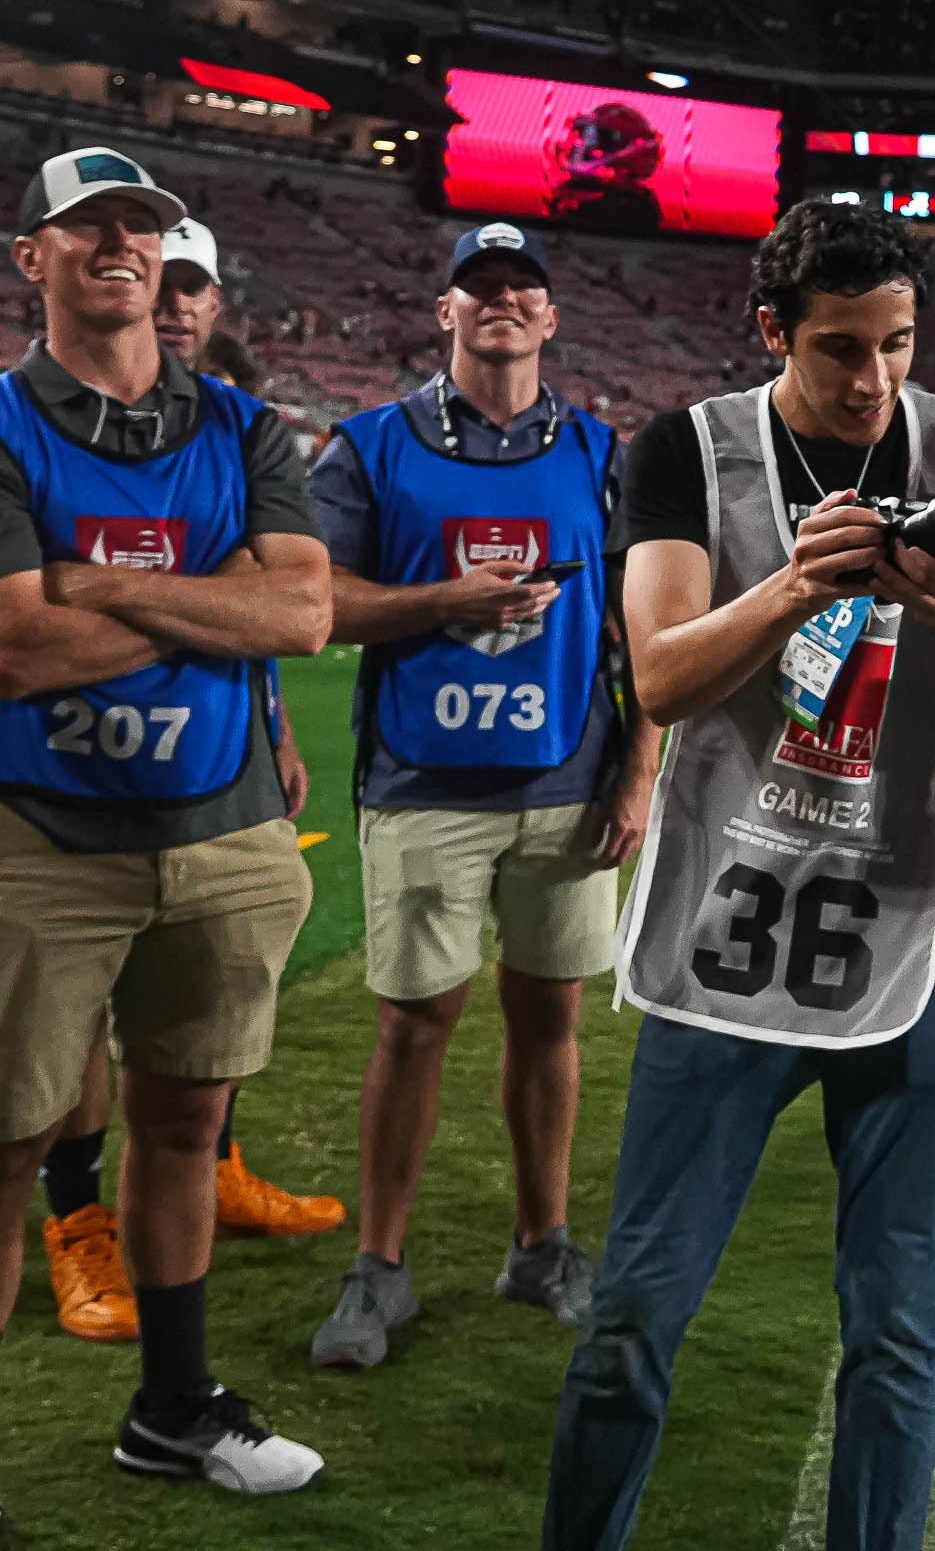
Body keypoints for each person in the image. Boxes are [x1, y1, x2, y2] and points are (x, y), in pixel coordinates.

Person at [542, 199, 935, 1551]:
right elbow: (659, 676)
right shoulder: (687, 449)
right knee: (636, 1310)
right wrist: (792, 587)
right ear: (773, 330)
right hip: (729, 912)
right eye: (840, 348)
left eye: (895, 343)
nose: (875, 379)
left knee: (895, 1328)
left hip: (921, 921)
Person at [0, 146, 332, 1494]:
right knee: (9, 1138)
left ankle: (175, 1410)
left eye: (137, 226)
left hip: (222, 828)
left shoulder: (246, 427)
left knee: (186, 1122)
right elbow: (12, 654)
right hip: (39, 830)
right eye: (86, 229)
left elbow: (304, 614)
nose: (118, 247)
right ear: (35, 259)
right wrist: (209, 599)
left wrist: (90, 587)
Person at [304, 221, 662, 1369]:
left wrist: (641, 768)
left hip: (568, 777)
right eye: (480, 289)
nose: (502, 302)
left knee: (549, 1019)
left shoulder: (604, 451)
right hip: (422, 784)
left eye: (524, 289)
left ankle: (543, 1244)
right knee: (415, 1023)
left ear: (552, 318)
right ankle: (382, 1268)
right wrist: (440, 600)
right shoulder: (368, 447)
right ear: (444, 313)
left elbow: (639, 627)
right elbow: (309, 604)